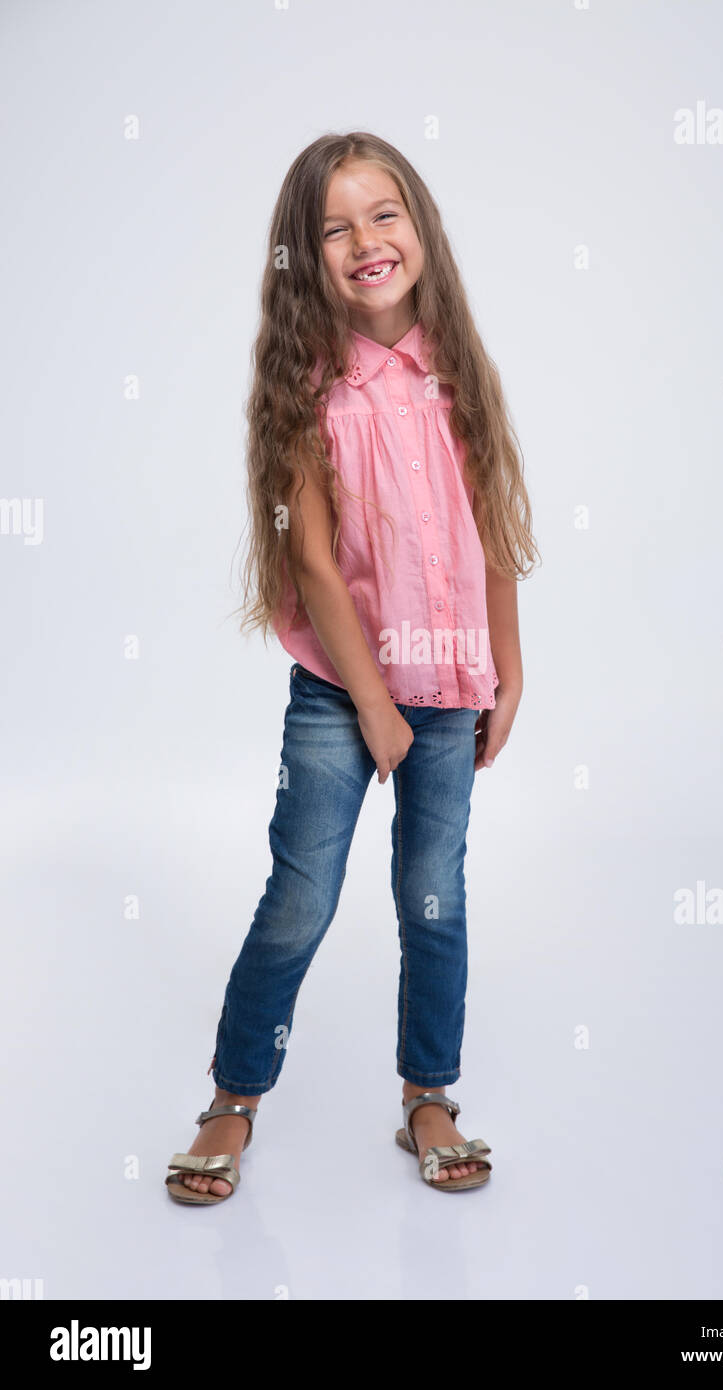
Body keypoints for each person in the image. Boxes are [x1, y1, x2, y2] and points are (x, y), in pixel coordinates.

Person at [165, 131, 538, 1203]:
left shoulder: (457, 377)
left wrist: (505, 669)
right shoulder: (307, 390)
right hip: (342, 692)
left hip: (452, 682)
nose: (366, 240)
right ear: (304, 253)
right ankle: (232, 1096)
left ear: (418, 230)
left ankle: (428, 1092)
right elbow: (316, 569)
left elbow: (491, 532)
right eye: (335, 227)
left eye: (384, 215)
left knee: (434, 892)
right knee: (301, 890)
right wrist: (371, 702)